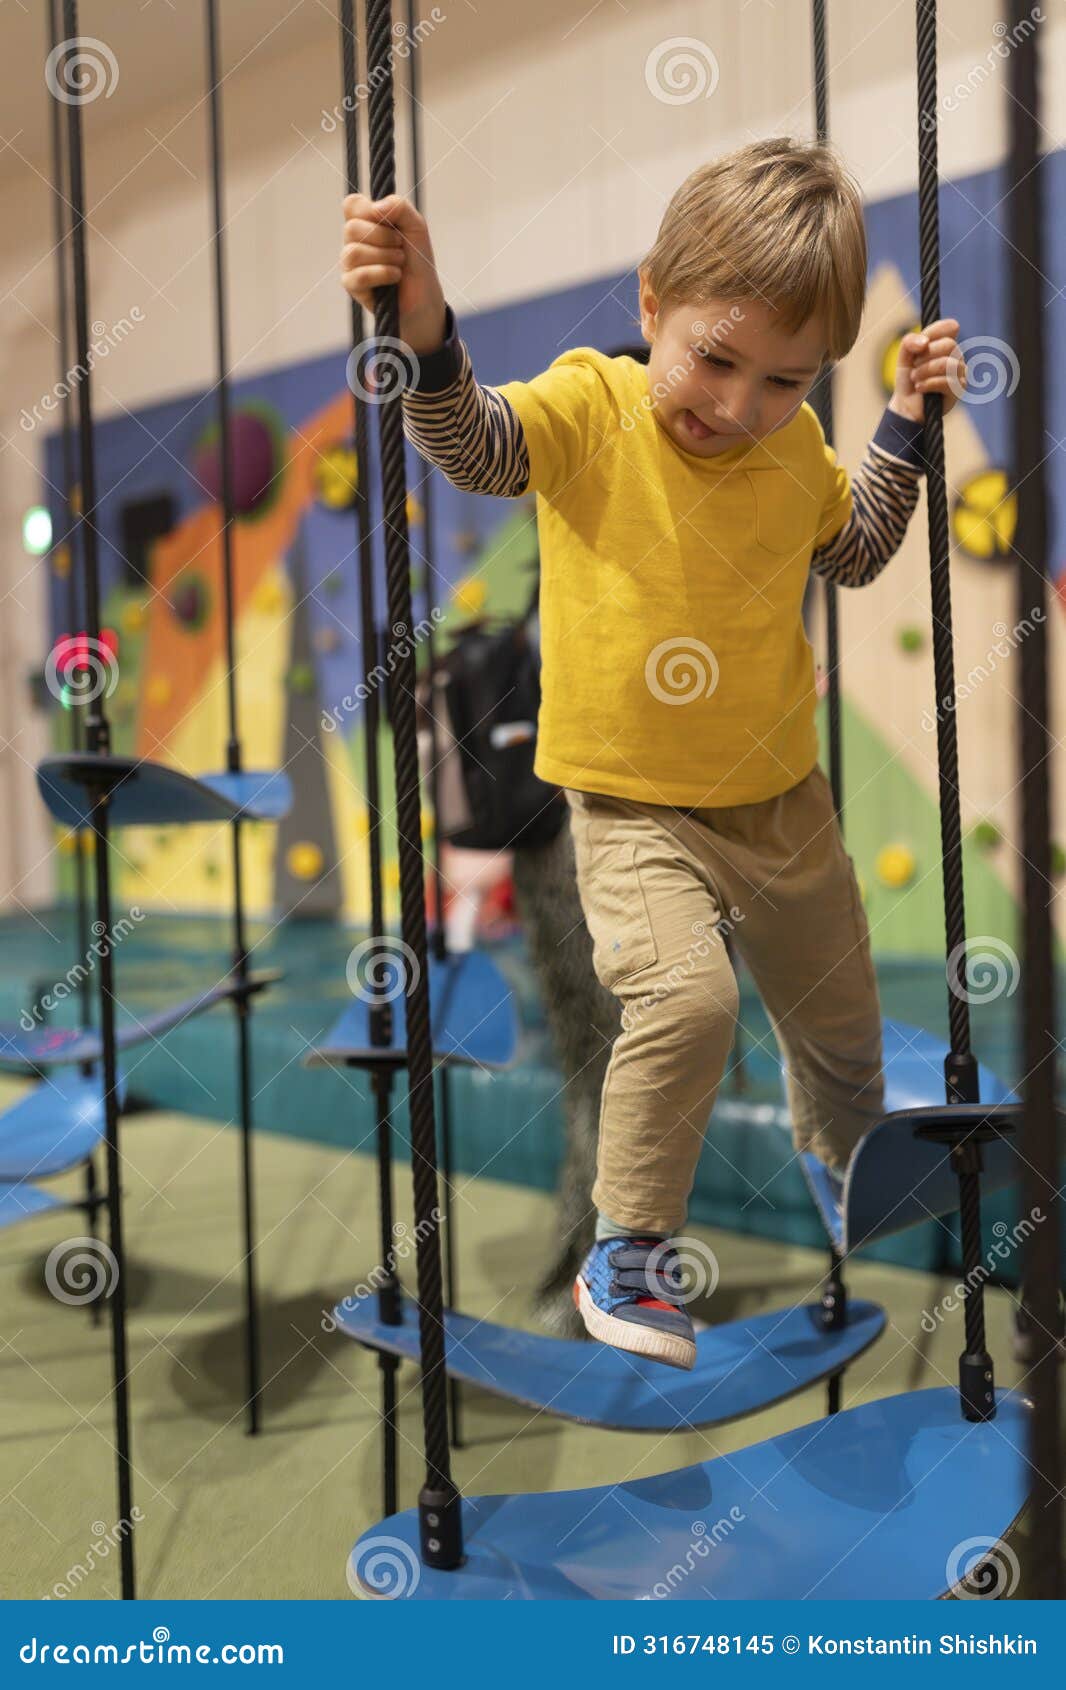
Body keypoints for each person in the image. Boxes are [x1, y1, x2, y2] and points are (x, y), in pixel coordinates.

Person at [340, 136, 967, 1370]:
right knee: (686, 1002)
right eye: (714, 358)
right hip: (634, 810)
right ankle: (626, 1243)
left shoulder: (790, 452)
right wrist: (422, 335)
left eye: (785, 382)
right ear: (650, 305)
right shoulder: (593, 405)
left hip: (785, 807)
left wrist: (901, 418)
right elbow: (474, 444)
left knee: (841, 1033)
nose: (736, 407)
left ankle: (843, 1170)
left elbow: (853, 547)